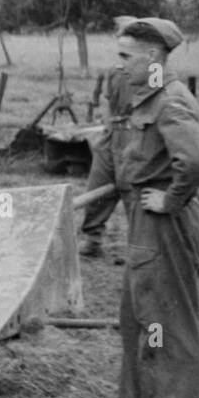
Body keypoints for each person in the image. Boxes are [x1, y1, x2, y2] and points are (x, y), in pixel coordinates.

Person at [89, 18, 199, 398]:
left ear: (152, 57)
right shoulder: (144, 99)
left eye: (124, 57)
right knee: (138, 316)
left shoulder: (171, 101)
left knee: (168, 317)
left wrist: (170, 200)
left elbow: (192, 162)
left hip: (164, 223)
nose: (118, 66)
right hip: (141, 217)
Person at [80, 16, 136, 259]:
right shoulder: (114, 71)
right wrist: (108, 122)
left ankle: (140, 248)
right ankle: (93, 239)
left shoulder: (154, 70)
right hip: (111, 135)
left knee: (134, 190)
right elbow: (106, 100)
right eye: (120, 40)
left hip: (136, 136)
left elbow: (157, 100)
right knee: (98, 185)